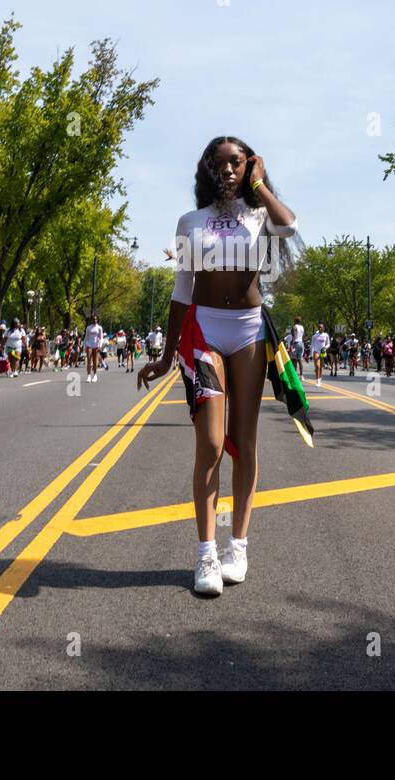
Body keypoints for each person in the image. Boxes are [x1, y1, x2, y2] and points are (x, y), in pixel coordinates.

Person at [136, 135, 305, 597]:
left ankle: (239, 545)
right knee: (210, 442)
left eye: (238, 162)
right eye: (221, 163)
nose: (228, 169)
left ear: (248, 167)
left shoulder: (259, 215)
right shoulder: (190, 222)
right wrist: (166, 356)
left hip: (249, 330)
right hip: (205, 330)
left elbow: (289, 226)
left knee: (244, 440)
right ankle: (206, 554)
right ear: (207, 170)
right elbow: (181, 290)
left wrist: (261, 182)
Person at [83, 314, 103, 382]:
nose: (95, 320)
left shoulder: (99, 327)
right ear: (91, 320)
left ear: (97, 320)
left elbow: (101, 338)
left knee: (95, 361)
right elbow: (86, 337)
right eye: (93, 319)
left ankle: (95, 375)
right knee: (88, 360)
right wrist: (84, 345)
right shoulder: (88, 327)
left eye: (96, 319)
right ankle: (88, 376)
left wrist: (100, 345)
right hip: (89, 344)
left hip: (96, 345)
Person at [309, 322, 330, 387]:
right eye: (319, 327)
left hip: (323, 352)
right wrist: (310, 354)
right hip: (316, 352)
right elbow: (312, 345)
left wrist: (325, 347)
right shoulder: (314, 336)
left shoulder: (326, 335)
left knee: (321, 367)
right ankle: (317, 380)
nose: (320, 328)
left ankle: (320, 379)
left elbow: (328, 344)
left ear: (323, 328)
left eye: (321, 327)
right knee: (317, 366)